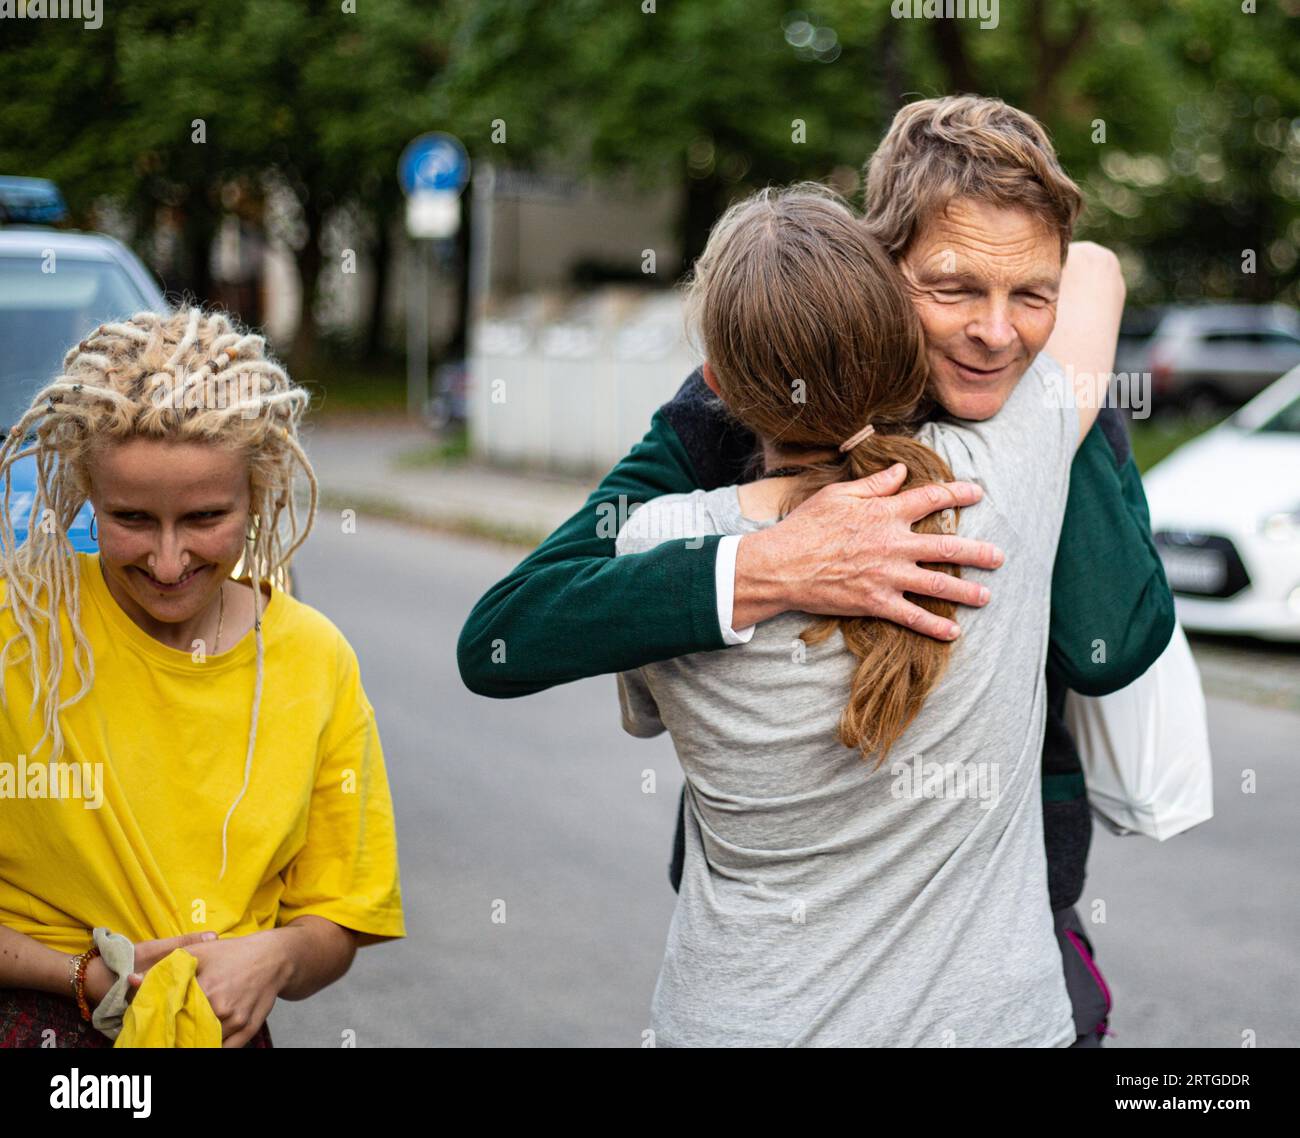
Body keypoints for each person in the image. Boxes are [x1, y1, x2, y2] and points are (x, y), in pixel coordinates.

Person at [458, 95, 1172, 1046]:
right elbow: (509, 634)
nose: (997, 333)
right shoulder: (727, 409)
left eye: (1030, 295)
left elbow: (1111, 644)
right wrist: (766, 566)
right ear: (881, 275)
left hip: (997, 935)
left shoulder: (1036, 417)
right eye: (952, 289)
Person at [615, 183, 1116, 1046]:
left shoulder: (658, 541)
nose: (991, 328)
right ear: (900, 343)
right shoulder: (996, 477)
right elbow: (1096, 273)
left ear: (722, 383)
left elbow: (644, 718)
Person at [0, 308, 404, 1048]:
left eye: (205, 517)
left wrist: (275, 957)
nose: (166, 560)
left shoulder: (315, 659)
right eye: (129, 518)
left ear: (261, 490)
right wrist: (82, 974)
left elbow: (339, 916)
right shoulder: (17, 631)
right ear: (84, 490)